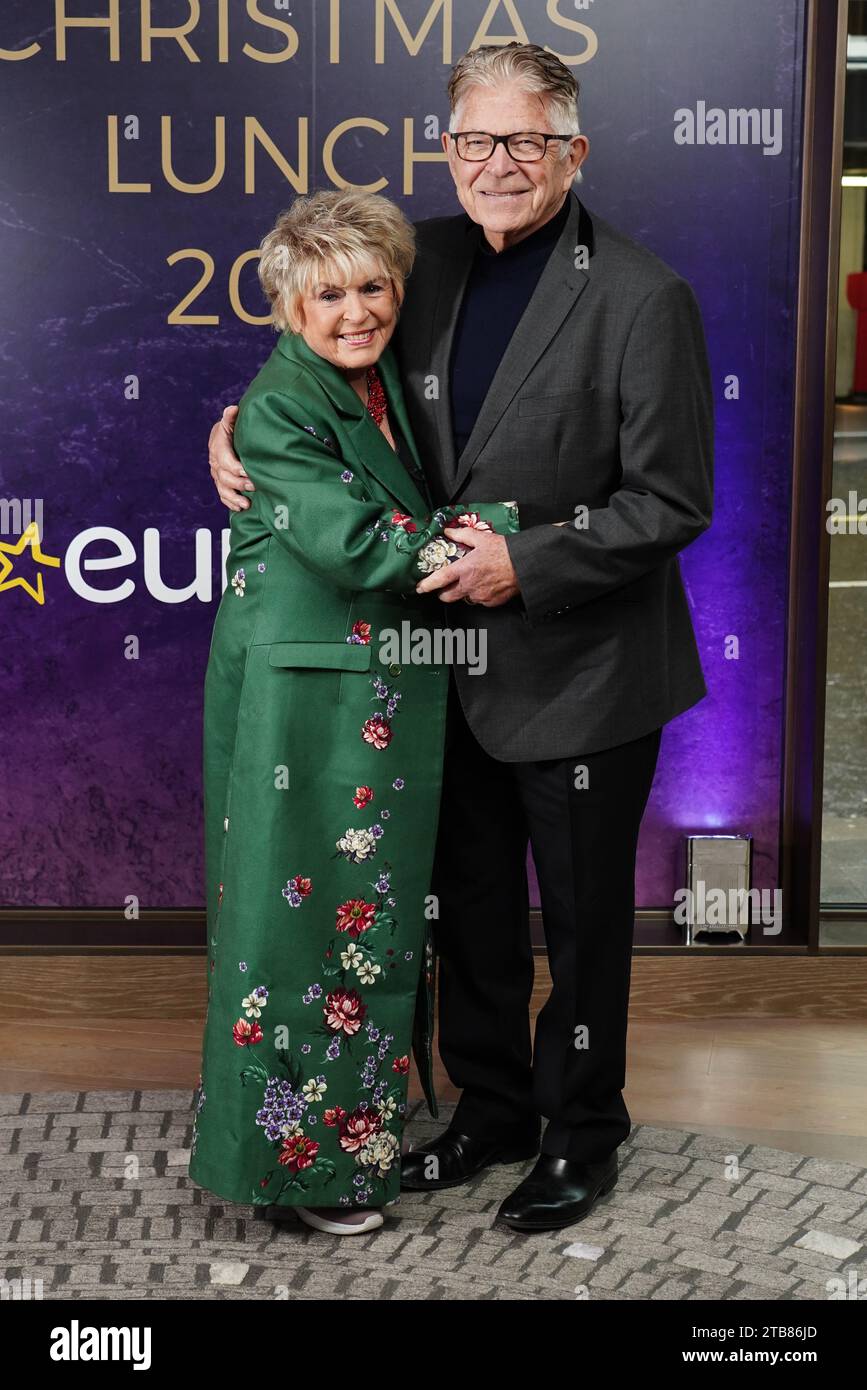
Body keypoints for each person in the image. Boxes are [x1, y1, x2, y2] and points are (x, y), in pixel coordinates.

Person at [208, 43, 714, 1234]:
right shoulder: (415, 260)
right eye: (474, 141)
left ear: (572, 153)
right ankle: (492, 1108)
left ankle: (584, 1129)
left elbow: (671, 501)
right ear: (447, 151)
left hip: (584, 668)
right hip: (438, 668)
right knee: (468, 909)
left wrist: (525, 562)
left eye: (525, 142)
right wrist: (232, 427)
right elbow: (317, 371)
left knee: (583, 926)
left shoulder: (644, 296)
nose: (497, 164)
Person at [188, 186, 519, 1235]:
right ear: (288, 307)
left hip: (360, 690)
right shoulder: (283, 406)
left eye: (372, 286)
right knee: (297, 935)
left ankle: (333, 1148)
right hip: (304, 707)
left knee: (353, 929)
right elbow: (365, 545)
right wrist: (522, 536)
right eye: (326, 293)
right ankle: (298, 1169)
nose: (354, 310)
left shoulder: (380, 386)